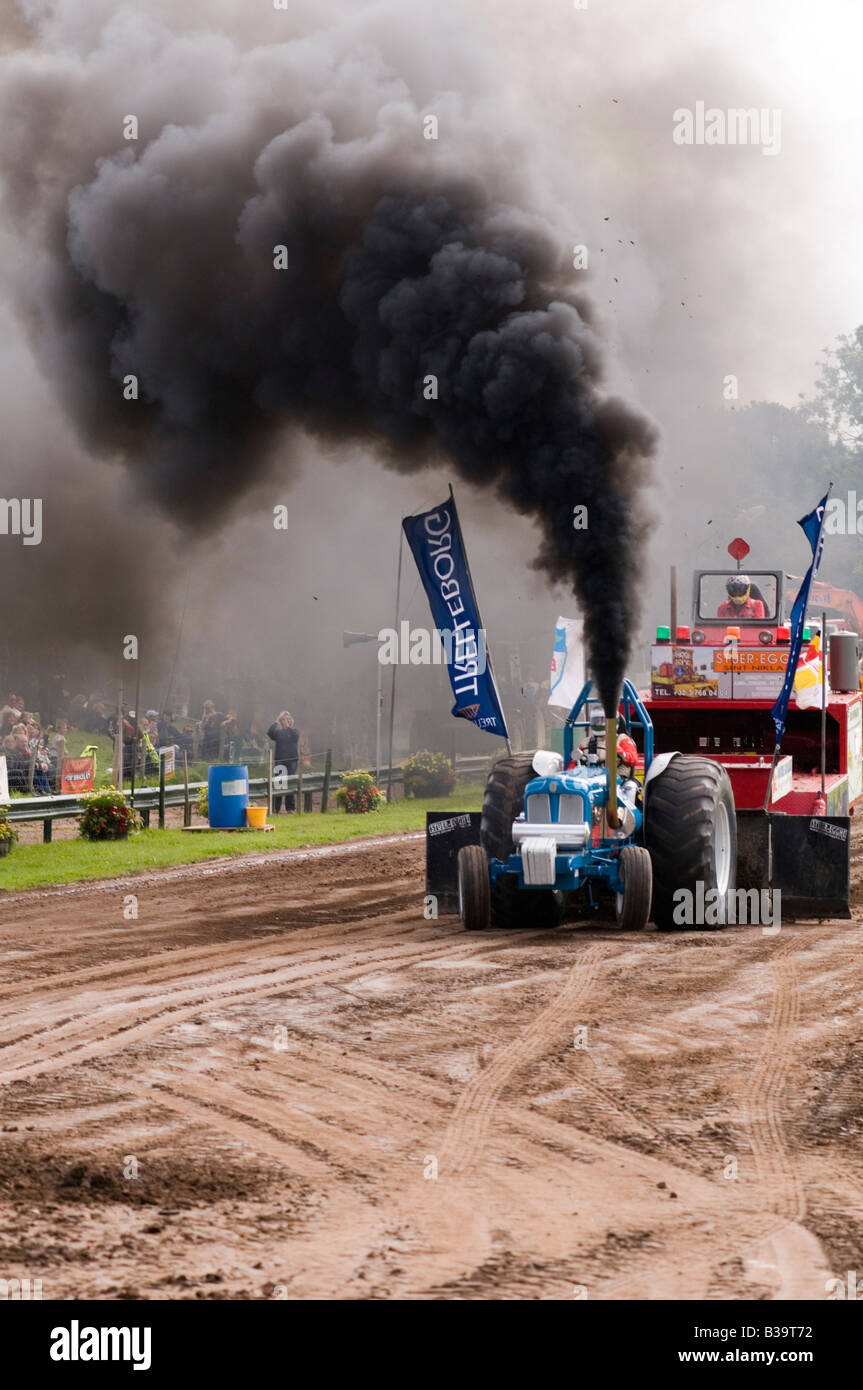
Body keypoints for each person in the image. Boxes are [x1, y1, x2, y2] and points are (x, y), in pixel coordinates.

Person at [267, 711, 300, 812]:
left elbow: (295, 736)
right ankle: (276, 808)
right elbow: (270, 732)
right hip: (280, 761)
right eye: (284, 720)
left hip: (292, 761)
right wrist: (277, 721)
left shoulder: (295, 731)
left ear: (291, 721)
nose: (285, 722)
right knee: (279, 784)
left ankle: (290, 808)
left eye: (287, 720)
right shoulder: (278, 733)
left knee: (290, 783)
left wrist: (288, 726)